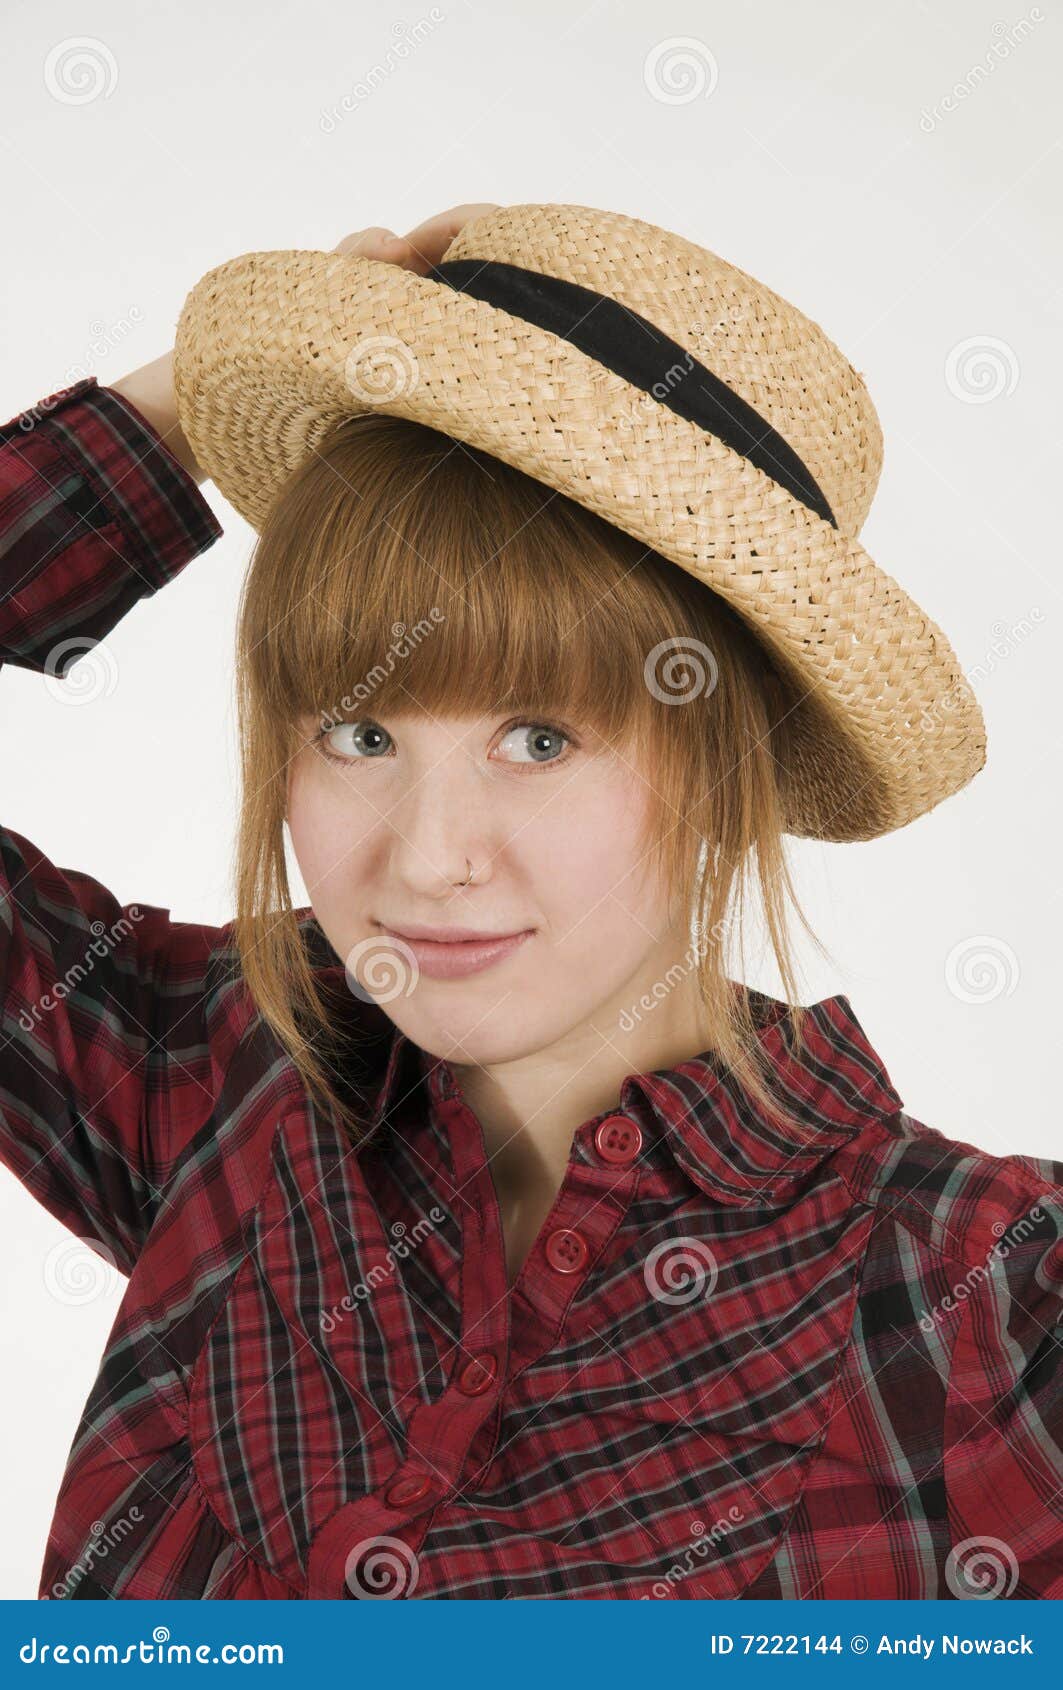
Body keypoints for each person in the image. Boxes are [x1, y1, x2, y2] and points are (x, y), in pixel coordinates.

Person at [1, 204, 1061, 1601]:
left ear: (723, 759)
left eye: (540, 739)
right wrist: (179, 414)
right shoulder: (226, 1075)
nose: (428, 857)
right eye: (360, 735)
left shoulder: (996, 1301)